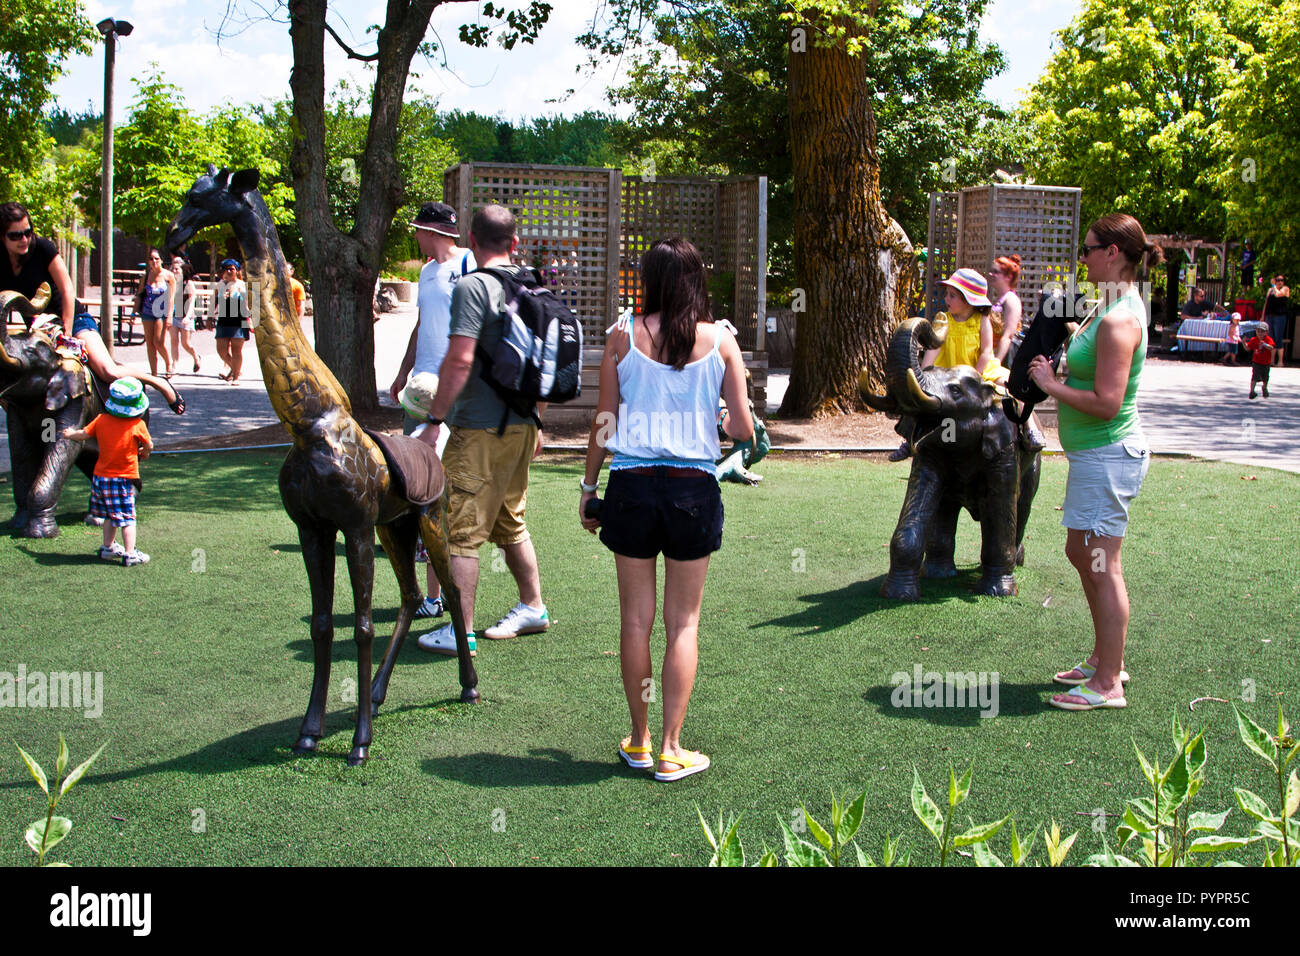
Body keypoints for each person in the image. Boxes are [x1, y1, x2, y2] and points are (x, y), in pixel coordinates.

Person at [580, 237, 752, 782]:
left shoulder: (620, 336)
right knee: (684, 624)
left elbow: (604, 423)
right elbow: (743, 431)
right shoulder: (722, 341)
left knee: (636, 619)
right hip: (692, 490)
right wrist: (720, 416)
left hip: (630, 487)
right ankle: (673, 749)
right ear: (697, 279)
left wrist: (589, 487)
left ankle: (639, 739)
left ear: (648, 279)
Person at [1028, 213, 1163, 711]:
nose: (1080, 258)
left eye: (1087, 250)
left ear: (1112, 253)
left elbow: (1108, 401)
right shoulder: (1108, 307)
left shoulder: (1119, 318)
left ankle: (1108, 683)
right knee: (1083, 553)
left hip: (1110, 454)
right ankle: (1105, 657)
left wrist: (1050, 387)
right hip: (1097, 456)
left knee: (1103, 564)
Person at [414, 204, 548, 658]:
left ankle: (459, 631)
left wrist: (434, 421)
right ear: (514, 243)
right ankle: (533, 606)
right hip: (523, 426)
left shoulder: (473, 286)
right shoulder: (533, 284)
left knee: (457, 531)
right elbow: (542, 362)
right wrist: (538, 420)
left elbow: (459, 359)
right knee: (509, 521)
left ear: (471, 241)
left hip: (479, 430)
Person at [0, 201, 185, 413]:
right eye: (15, 235)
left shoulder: (42, 248)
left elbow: (68, 289)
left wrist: (67, 333)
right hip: (38, 333)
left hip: (72, 320)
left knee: (108, 371)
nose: (24, 239)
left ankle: (159, 382)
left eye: (27, 232)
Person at [389, 201, 476, 618]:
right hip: (419, 389)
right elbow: (422, 325)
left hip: (452, 390)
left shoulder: (469, 264)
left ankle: (438, 595)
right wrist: (402, 373)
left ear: (432, 231)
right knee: (414, 484)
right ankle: (428, 594)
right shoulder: (425, 272)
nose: (415, 236)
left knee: (440, 489)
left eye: (418, 230)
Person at [889, 268, 1004, 460]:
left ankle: (1026, 431)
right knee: (920, 396)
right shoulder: (944, 320)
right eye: (947, 295)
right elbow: (933, 348)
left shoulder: (982, 320)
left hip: (978, 371)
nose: (947, 300)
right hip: (948, 375)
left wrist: (975, 376)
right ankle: (909, 440)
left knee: (1005, 387)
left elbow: (985, 351)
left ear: (969, 300)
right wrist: (923, 374)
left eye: (953, 296)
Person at [61, 377, 153, 566]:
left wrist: (70, 434)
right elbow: (148, 444)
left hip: (101, 478)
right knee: (128, 518)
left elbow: (83, 434)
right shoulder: (137, 425)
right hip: (123, 478)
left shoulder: (101, 420)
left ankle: (108, 547)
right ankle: (130, 553)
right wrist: (145, 452)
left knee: (110, 515)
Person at [133, 248, 177, 378]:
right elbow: (139, 295)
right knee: (150, 343)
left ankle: (168, 363)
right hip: (147, 312)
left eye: (156, 258)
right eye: (151, 259)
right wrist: (133, 313)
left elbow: (172, 297)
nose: (154, 261)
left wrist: (169, 316)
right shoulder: (146, 276)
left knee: (158, 341)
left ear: (161, 260)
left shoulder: (169, 276)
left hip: (162, 312)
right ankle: (154, 373)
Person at [213, 258, 249, 382]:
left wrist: (249, 321)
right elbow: (214, 302)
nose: (228, 271)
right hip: (223, 319)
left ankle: (236, 377)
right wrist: (209, 317)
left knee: (236, 350)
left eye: (231, 269)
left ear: (237, 270)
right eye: (226, 269)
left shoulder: (242, 285)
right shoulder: (220, 285)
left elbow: (248, 305)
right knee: (221, 350)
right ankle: (235, 369)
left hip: (238, 320)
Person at [168, 254, 201, 374]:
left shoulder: (188, 284)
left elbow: (192, 302)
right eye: (173, 268)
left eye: (177, 268)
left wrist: (187, 317)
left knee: (185, 343)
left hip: (186, 316)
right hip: (174, 315)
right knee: (174, 340)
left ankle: (196, 356)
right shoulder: (171, 283)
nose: (175, 270)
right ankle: (174, 364)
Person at [1244, 321, 1276, 399]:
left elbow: (1271, 347)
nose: (1260, 333)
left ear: (1266, 332)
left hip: (1266, 363)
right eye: (1258, 331)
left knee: (1265, 378)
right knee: (1254, 377)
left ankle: (1264, 388)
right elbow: (1248, 348)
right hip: (1256, 362)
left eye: (1262, 331)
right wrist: (1243, 342)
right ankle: (1252, 391)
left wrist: (1264, 344)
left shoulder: (1268, 339)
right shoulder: (1254, 339)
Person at [1263, 274, 1289, 349]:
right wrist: (1262, 316)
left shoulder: (1285, 289)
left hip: (1280, 316)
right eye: (1278, 280)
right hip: (1269, 316)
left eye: (1282, 280)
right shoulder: (1270, 290)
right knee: (1270, 338)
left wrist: (1274, 286)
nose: (1280, 282)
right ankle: (1271, 359)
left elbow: (1277, 295)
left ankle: (1280, 360)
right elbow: (1266, 303)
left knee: (1278, 338)